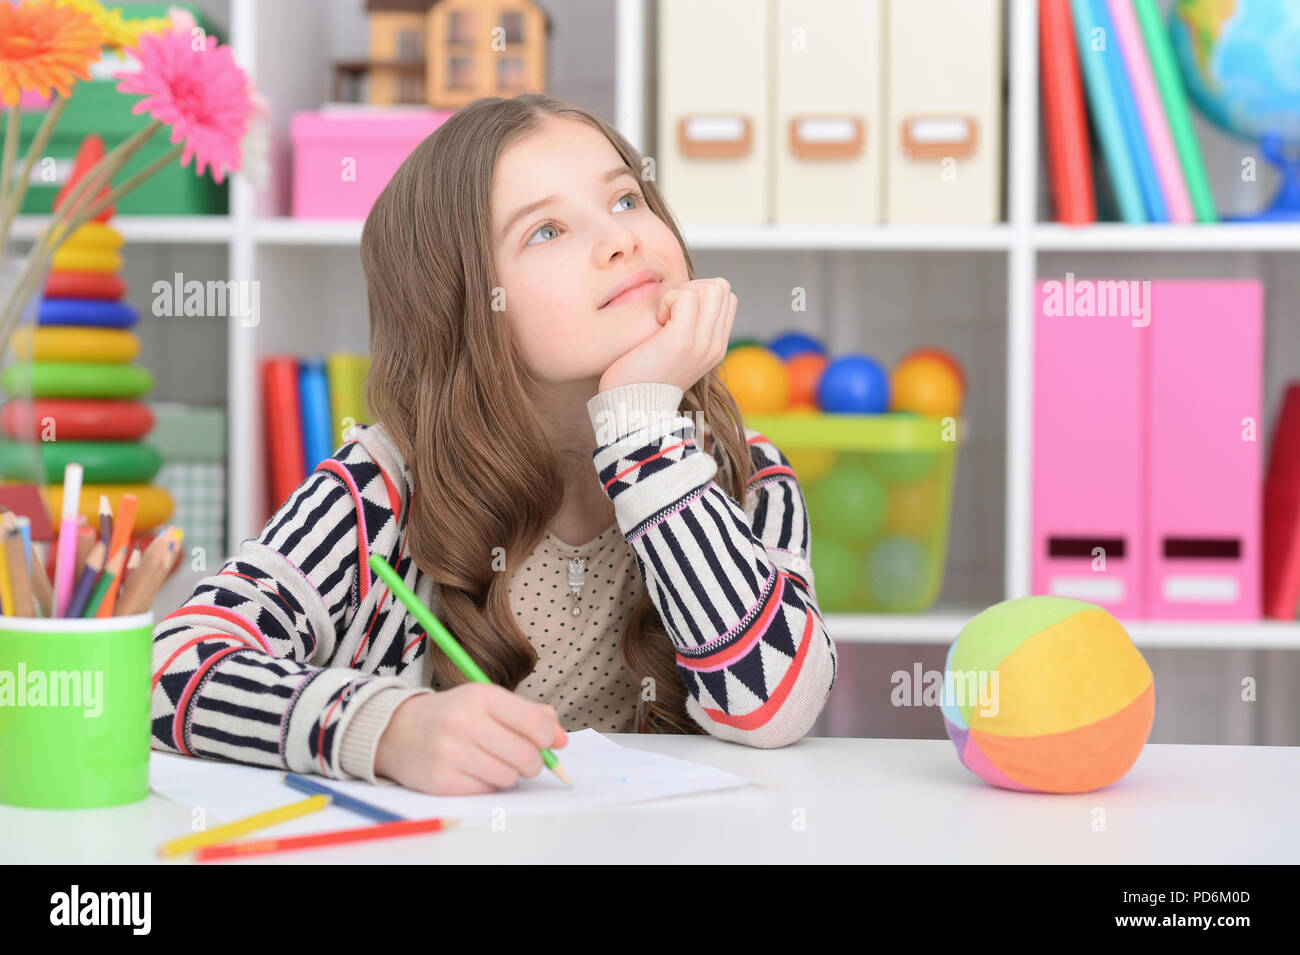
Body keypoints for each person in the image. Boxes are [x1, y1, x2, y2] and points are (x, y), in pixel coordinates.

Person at [151, 93, 836, 796]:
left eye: (627, 199)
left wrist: (644, 432)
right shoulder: (382, 488)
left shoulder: (742, 469)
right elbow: (174, 668)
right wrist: (388, 730)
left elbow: (775, 706)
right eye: (546, 231)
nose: (620, 238)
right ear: (466, 304)